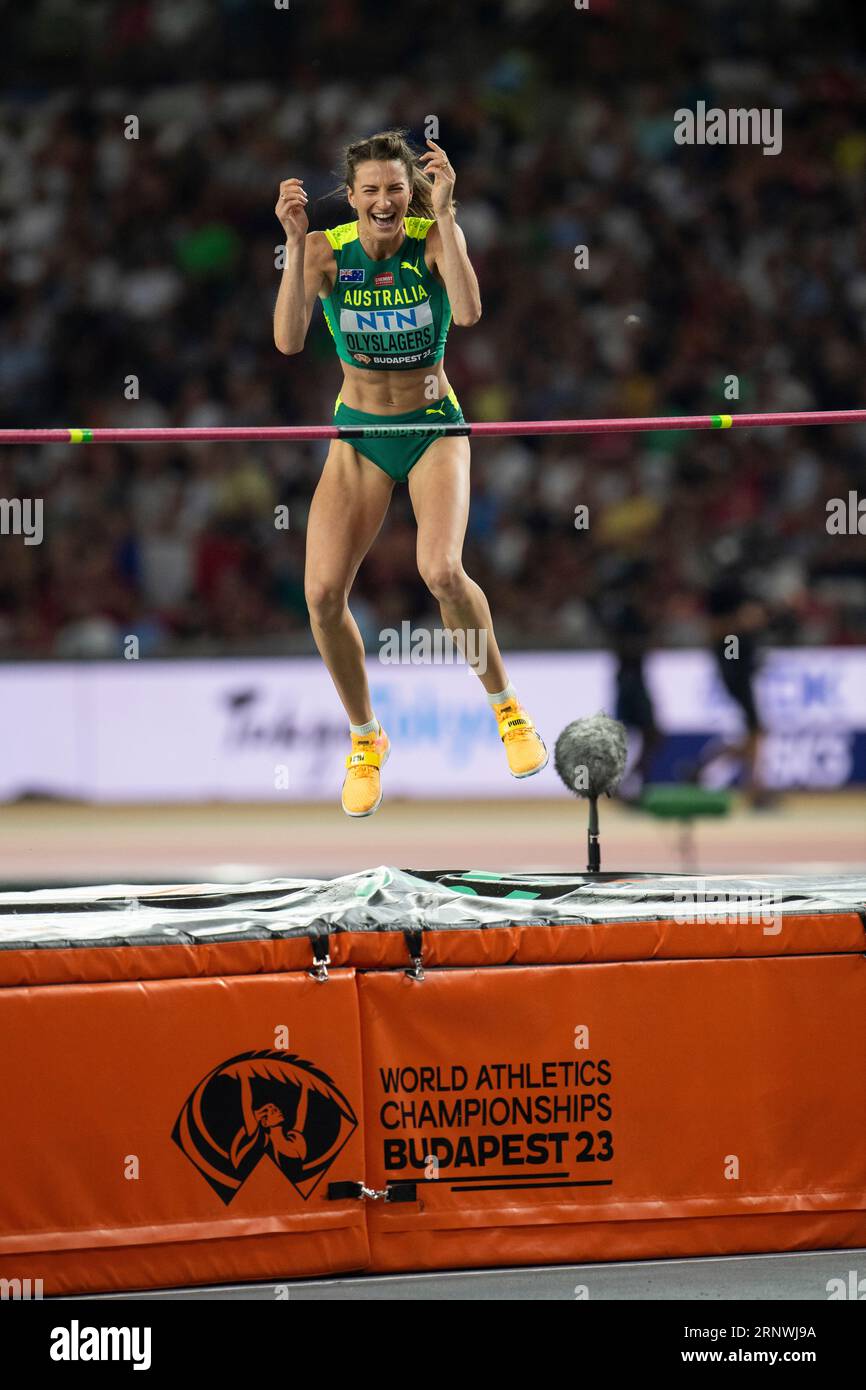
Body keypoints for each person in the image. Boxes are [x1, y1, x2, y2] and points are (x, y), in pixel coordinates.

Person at [274, 129, 547, 816]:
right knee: (322, 595)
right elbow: (286, 340)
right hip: (360, 435)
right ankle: (366, 739)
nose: (384, 201)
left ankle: (507, 709)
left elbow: (472, 312)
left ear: (409, 191)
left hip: (432, 428)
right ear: (353, 196)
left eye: (396, 188)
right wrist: (292, 241)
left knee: (444, 572)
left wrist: (449, 217)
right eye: (370, 190)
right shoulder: (323, 251)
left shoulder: (431, 237)